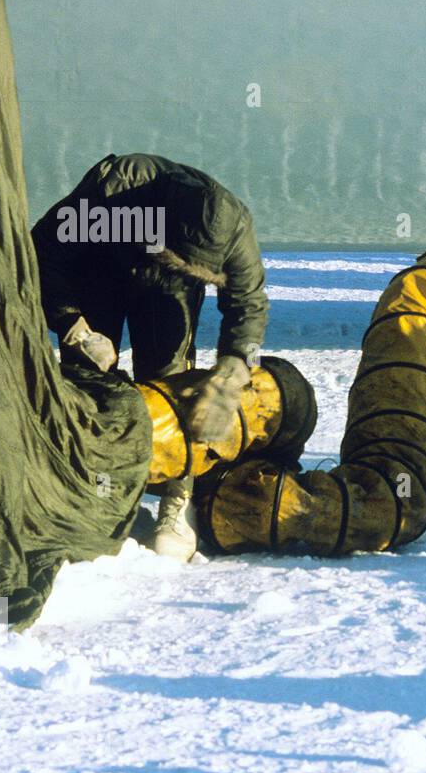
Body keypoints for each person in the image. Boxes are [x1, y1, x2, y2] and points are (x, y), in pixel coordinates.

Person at [31, 153, 269, 561]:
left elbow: (248, 301)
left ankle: (177, 499)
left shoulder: (233, 227)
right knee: (88, 382)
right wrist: (75, 325)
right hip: (100, 268)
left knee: (173, 381)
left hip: (169, 288)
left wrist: (234, 367)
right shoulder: (112, 195)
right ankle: (90, 491)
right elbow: (43, 252)